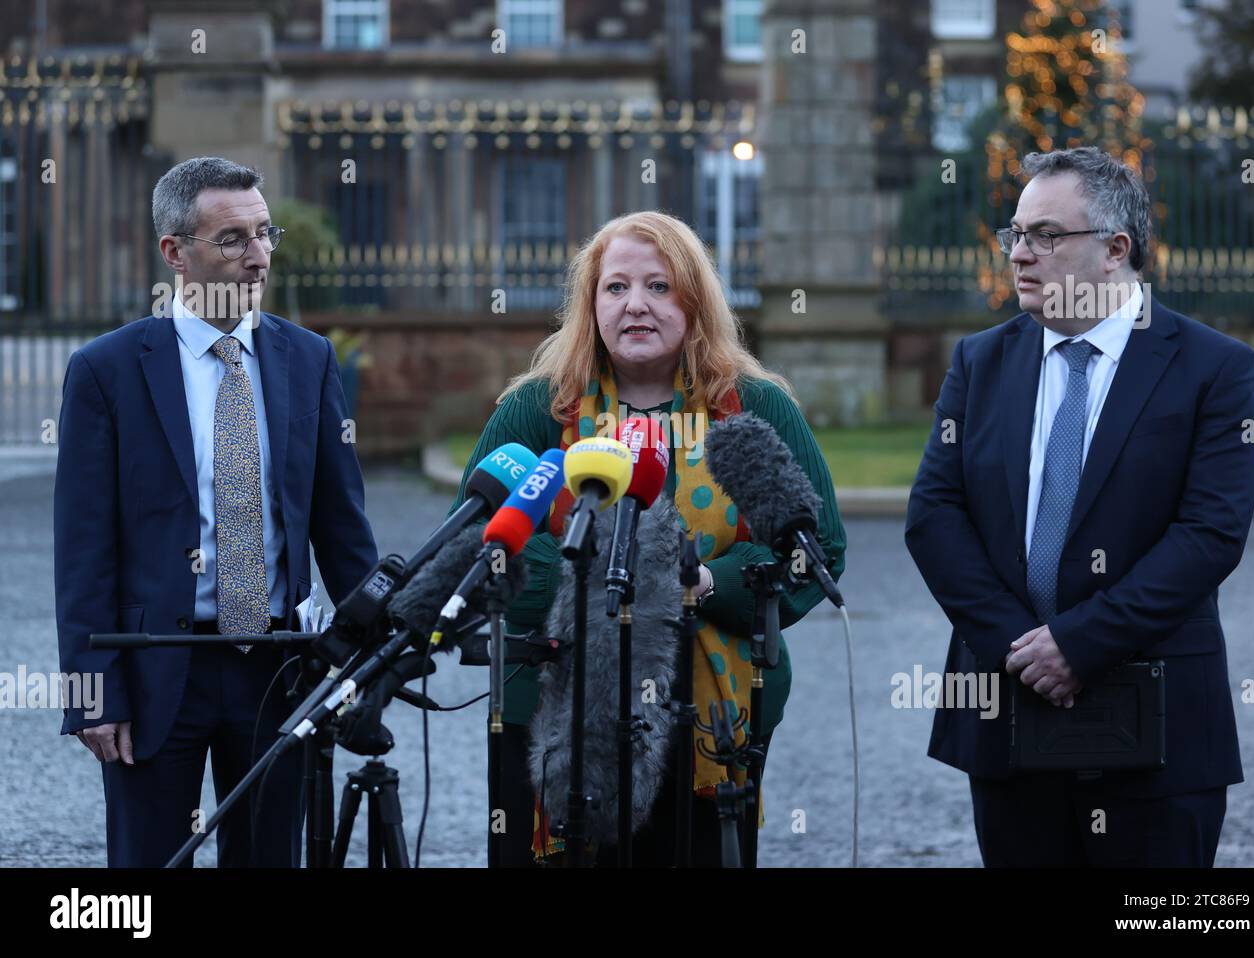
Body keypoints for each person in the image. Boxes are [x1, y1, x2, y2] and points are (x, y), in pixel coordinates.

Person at [447, 210, 846, 865]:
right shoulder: (537, 408)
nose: (636, 305)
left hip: (709, 717)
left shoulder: (755, 408)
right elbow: (478, 540)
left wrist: (710, 581)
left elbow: (816, 548)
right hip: (551, 705)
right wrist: (584, 582)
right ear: (590, 302)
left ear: (695, 300)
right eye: (616, 288)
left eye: (659, 287)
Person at [905, 146, 1254, 867]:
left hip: (1156, 724)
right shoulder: (982, 360)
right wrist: (1023, 649)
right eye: (1015, 234)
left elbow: (1209, 535)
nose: (1019, 255)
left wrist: (1079, 643)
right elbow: (934, 517)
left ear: (1114, 249)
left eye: (1045, 235)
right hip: (1008, 710)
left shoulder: (1211, 367)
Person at [54, 156, 379, 867]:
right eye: (233, 239)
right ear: (175, 252)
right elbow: (82, 548)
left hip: (276, 666)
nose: (258, 256)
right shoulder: (107, 371)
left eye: (266, 233)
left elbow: (340, 525)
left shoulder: (309, 359)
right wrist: (90, 694)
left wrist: (370, 657)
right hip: (154, 670)